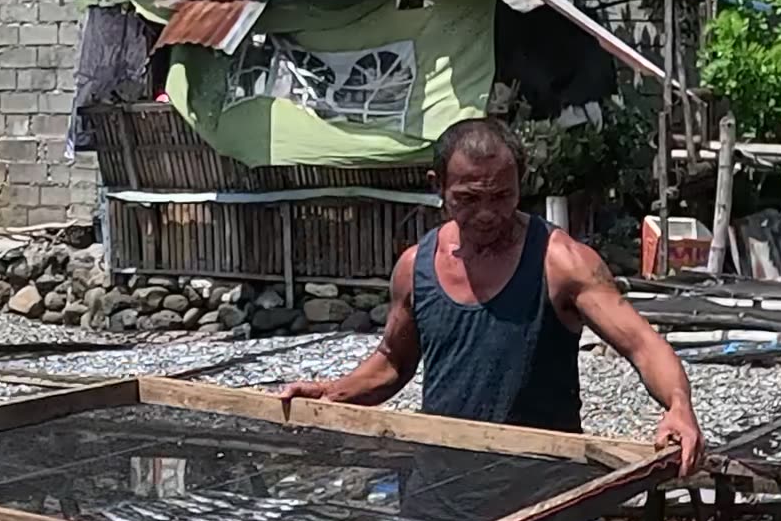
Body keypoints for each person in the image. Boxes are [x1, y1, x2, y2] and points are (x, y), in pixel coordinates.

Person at [284, 113, 706, 471]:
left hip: (543, 499)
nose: (487, 213)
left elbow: (642, 345)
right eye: (468, 198)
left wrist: (678, 406)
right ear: (438, 186)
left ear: (521, 184)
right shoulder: (416, 267)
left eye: (502, 196)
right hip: (439, 493)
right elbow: (393, 361)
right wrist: (332, 393)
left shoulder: (561, 262)